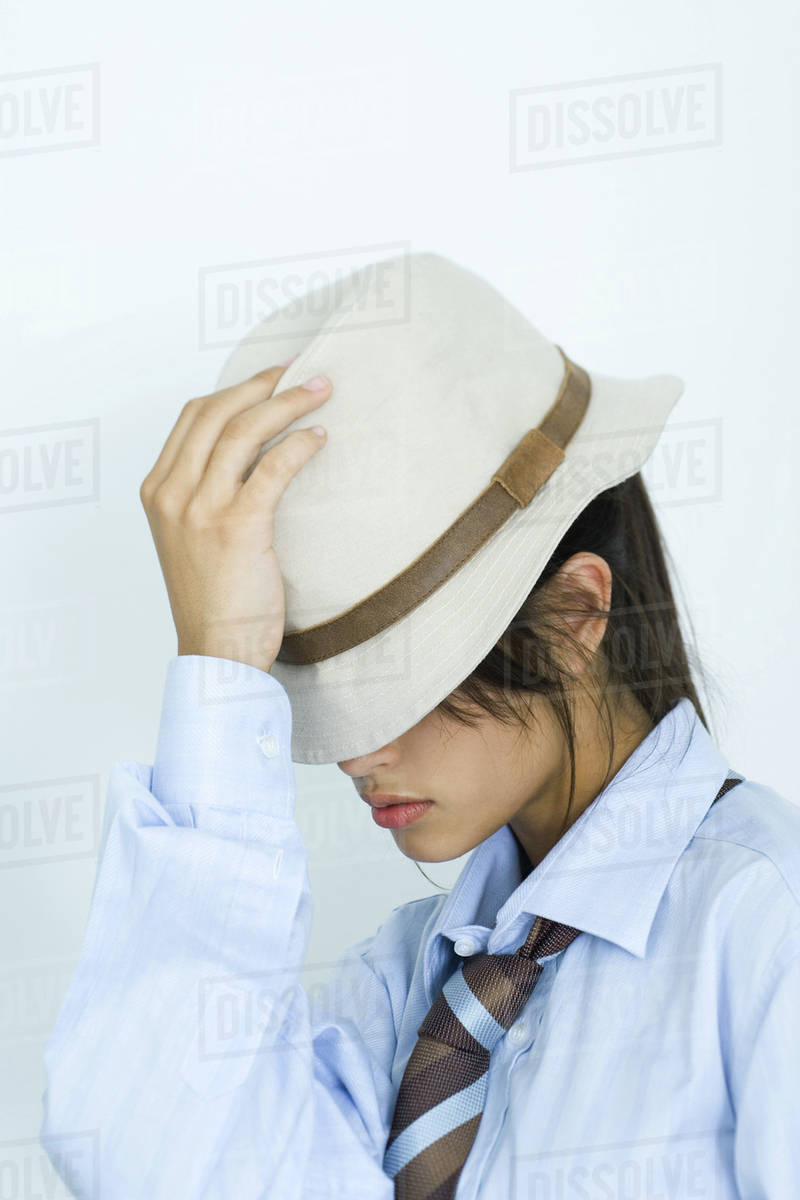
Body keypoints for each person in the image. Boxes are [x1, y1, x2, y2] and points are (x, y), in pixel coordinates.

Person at [40, 253, 800, 1198]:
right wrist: (218, 665)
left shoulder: (766, 923)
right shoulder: (402, 984)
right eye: (326, 691)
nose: (358, 752)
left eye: (395, 683)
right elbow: (142, 1150)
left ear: (573, 617)